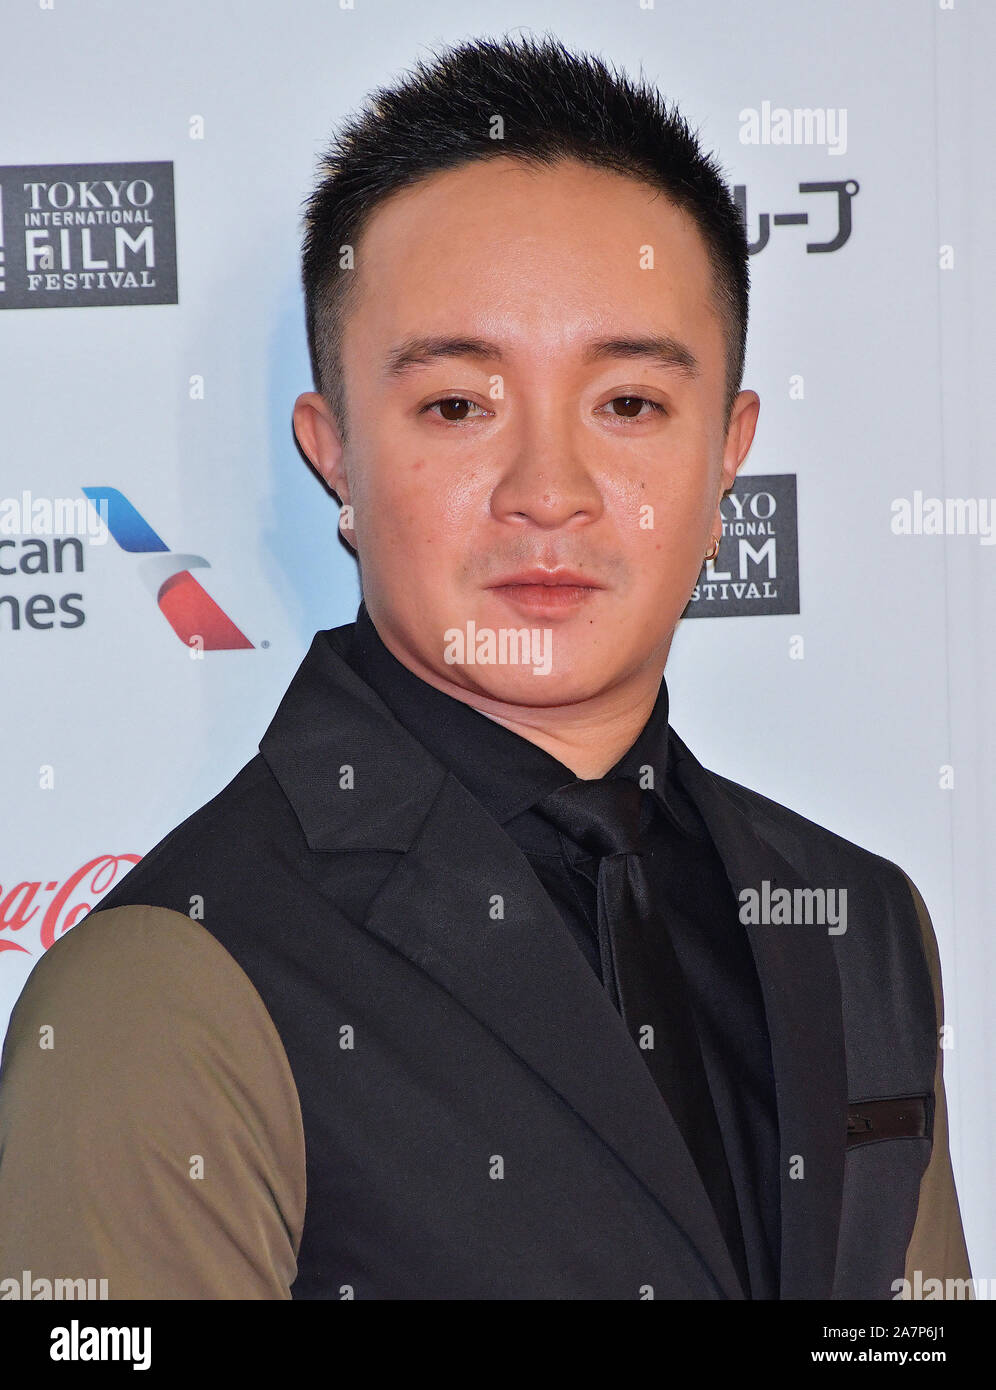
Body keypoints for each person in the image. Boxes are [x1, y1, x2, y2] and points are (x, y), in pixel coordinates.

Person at [0, 34, 972, 1300]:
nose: (549, 494)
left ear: (728, 453)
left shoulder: (859, 920)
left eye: (627, 404)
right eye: (458, 406)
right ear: (334, 453)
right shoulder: (173, 986)